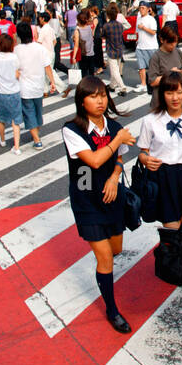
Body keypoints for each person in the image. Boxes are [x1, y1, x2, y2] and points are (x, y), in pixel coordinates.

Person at [63, 76, 135, 334]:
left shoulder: (114, 127)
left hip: (111, 198)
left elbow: (118, 159)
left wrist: (115, 177)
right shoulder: (71, 130)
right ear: (82, 101)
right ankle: (112, 309)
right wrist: (118, 140)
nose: (100, 101)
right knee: (105, 257)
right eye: (93, 96)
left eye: (103, 95)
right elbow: (93, 161)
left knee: (116, 248)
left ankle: (104, 266)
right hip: (86, 201)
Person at [137, 71, 182, 229]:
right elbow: (143, 152)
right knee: (172, 228)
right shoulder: (150, 120)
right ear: (162, 95)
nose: (175, 98)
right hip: (162, 176)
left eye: (179, 92)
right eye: (169, 93)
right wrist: (146, 159)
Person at [0, 30, 26, 152]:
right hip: (14, 91)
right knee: (15, 121)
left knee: (1, 119)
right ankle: (16, 147)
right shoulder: (13, 57)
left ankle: (2, 140)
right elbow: (18, 73)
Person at [146, 25, 182, 97]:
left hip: (177, 97)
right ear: (162, 40)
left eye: (175, 42)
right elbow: (152, 82)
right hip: (161, 99)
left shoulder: (178, 52)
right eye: (170, 42)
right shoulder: (156, 57)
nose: (173, 45)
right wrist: (170, 74)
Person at [99, 3, 130, 96]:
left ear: (108, 15)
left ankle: (122, 87)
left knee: (114, 71)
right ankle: (112, 86)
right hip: (119, 49)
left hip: (110, 49)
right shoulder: (120, 25)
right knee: (115, 68)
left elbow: (103, 36)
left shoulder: (106, 26)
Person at [133, 2, 158, 92]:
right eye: (140, 8)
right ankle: (143, 84)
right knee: (141, 67)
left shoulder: (151, 19)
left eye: (143, 8)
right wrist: (137, 41)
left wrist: (143, 28)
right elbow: (137, 31)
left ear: (148, 9)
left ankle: (155, 83)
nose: (141, 10)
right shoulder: (138, 18)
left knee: (153, 68)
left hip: (151, 47)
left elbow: (153, 32)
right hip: (140, 46)